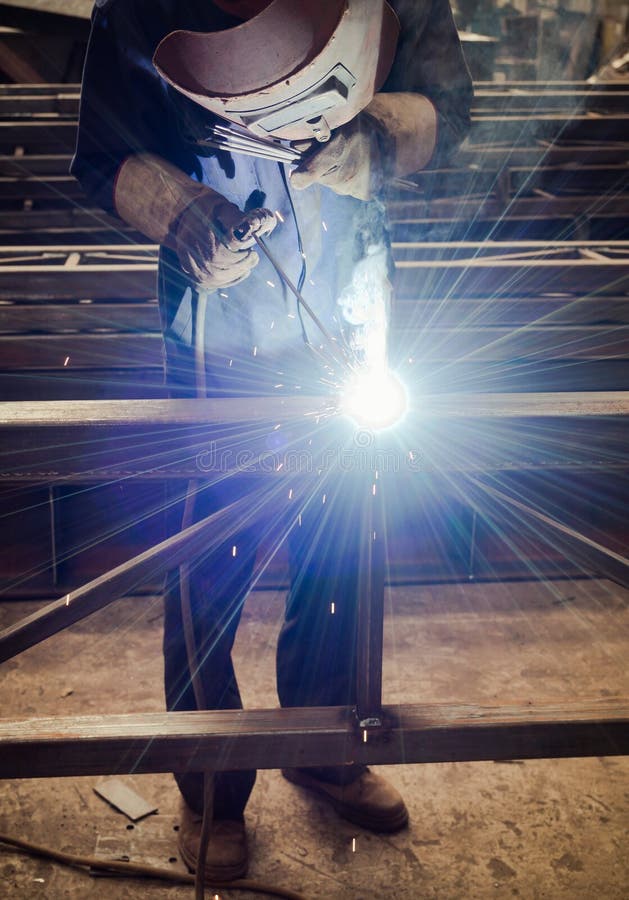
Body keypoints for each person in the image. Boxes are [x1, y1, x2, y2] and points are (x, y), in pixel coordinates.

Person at [72, 0, 472, 882]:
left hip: (352, 320)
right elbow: (101, 154)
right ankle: (211, 788)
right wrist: (179, 213)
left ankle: (325, 745)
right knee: (208, 561)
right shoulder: (145, 4)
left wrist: (378, 139)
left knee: (343, 551)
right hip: (218, 340)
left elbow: (449, 108)